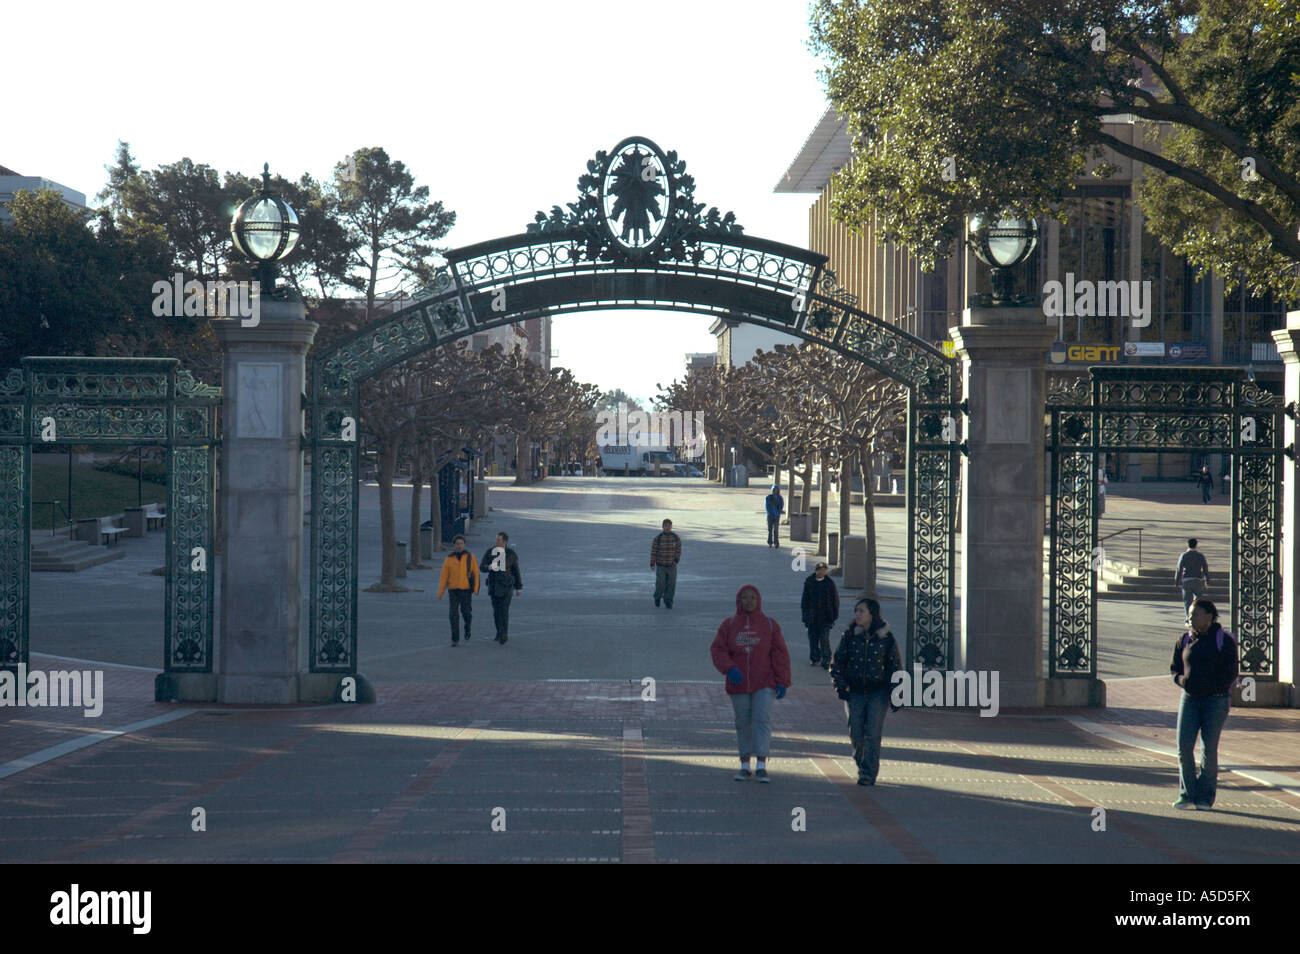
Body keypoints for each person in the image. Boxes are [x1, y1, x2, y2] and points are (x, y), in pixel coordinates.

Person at [710, 584, 791, 782]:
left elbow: (780, 654)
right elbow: (718, 650)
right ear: (739, 600)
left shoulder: (769, 625)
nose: (749, 601)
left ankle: (761, 763)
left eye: (753, 598)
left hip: (764, 682)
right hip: (738, 683)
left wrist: (783, 681)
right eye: (745, 598)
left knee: (761, 719)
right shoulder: (728, 625)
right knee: (742, 721)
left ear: (759, 600)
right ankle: (744, 764)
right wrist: (729, 668)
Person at [1169, 599, 1238, 810]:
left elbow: (1231, 672)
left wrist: (1212, 687)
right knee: (1184, 747)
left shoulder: (1223, 640)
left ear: (1209, 616)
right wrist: (1183, 681)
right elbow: (1175, 668)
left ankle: (1205, 798)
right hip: (1190, 699)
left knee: (1208, 749)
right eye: (1190, 614)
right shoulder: (1185, 639)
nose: (1190, 618)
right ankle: (1187, 793)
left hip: (1215, 701)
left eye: (1195, 614)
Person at [830, 597, 902, 786]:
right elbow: (837, 662)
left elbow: (894, 666)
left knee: (873, 732)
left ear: (872, 614)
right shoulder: (850, 636)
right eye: (856, 611)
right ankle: (861, 762)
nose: (857, 614)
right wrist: (840, 685)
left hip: (877, 692)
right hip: (854, 691)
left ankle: (867, 773)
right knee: (855, 732)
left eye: (862, 611)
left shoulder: (886, 638)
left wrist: (896, 693)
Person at [437, 533, 480, 646]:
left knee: (466, 613)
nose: (459, 546)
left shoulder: (470, 557)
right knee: (453, 615)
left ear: (464, 544)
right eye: (457, 544)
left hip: (466, 590)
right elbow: (444, 576)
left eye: (461, 543)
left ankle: (467, 628)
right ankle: (455, 639)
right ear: (454, 545)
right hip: (453, 590)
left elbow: (476, 573)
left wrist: (475, 589)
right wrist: (441, 591)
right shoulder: (449, 559)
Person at [481, 531, 523, 644]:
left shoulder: (510, 554)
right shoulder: (490, 552)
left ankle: (504, 634)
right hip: (494, 586)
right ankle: (499, 632)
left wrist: (519, 587)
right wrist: (489, 567)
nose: (496, 541)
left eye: (498, 540)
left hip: (506, 586)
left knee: (504, 610)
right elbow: (482, 567)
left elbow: (516, 571)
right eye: (496, 539)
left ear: (504, 541)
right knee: (496, 611)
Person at [800, 561, 839, 669]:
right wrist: (804, 615)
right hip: (812, 617)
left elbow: (835, 600)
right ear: (816, 571)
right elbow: (805, 600)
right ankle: (814, 658)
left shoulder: (830, 583)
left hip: (826, 617)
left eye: (824, 570)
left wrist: (834, 615)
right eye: (820, 570)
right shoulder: (809, 582)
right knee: (813, 639)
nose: (822, 572)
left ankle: (826, 659)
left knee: (824, 639)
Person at [1174, 538, 1210, 624]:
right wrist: (1207, 580)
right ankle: (1198, 617)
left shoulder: (1184, 555)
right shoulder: (1200, 556)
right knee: (1198, 600)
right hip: (1198, 580)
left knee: (1187, 601)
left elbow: (1179, 569)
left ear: (1188, 545)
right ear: (1196, 545)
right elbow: (1205, 568)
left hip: (1187, 580)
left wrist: (1176, 580)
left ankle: (1188, 618)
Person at [650, 518, 681, 608]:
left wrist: (676, 560)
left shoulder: (676, 538)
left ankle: (668, 601)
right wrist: (652, 563)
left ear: (671, 526)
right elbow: (654, 551)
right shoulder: (658, 538)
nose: (667, 527)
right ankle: (658, 597)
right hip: (661, 565)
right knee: (661, 583)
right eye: (665, 526)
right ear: (662, 527)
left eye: (669, 526)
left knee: (671, 584)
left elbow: (678, 550)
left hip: (672, 565)